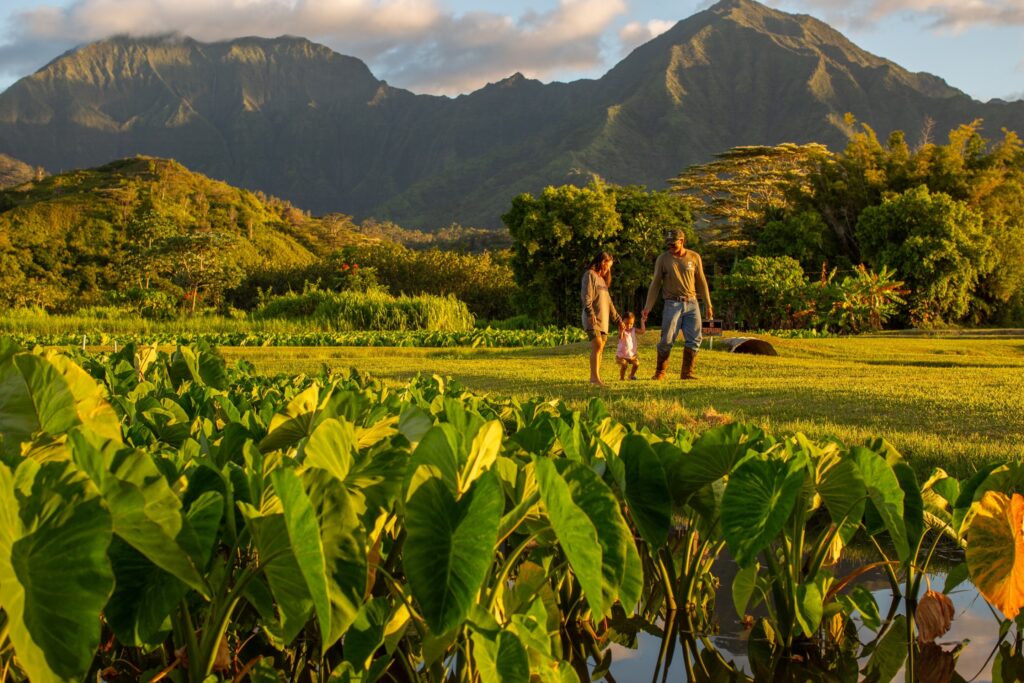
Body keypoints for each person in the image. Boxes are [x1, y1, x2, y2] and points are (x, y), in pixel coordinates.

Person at [641, 229, 713, 380]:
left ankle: (687, 373)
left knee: (695, 338)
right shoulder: (663, 259)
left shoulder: (694, 257)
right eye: (668, 245)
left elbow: (701, 281)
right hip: (672, 303)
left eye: (673, 245)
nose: (671, 248)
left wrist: (708, 304)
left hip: (692, 303)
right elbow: (655, 284)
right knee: (666, 339)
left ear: (682, 241)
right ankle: (660, 372)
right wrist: (648, 307)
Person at [581, 251, 622, 386]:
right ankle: (594, 378)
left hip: (603, 320)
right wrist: (590, 313)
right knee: (597, 345)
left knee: (600, 348)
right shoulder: (589, 275)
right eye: (607, 266)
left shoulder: (603, 281)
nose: (608, 269)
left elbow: (609, 303)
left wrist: (618, 320)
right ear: (602, 262)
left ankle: (596, 377)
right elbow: (586, 297)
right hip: (592, 318)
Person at [615, 312, 646, 380]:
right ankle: (622, 378)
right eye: (626, 323)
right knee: (624, 364)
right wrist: (622, 330)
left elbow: (642, 331)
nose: (629, 326)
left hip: (631, 355)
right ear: (622, 322)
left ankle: (631, 375)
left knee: (636, 364)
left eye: (631, 324)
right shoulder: (622, 330)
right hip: (621, 355)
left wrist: (642, 321)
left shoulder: (633, 330)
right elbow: (620, 337)